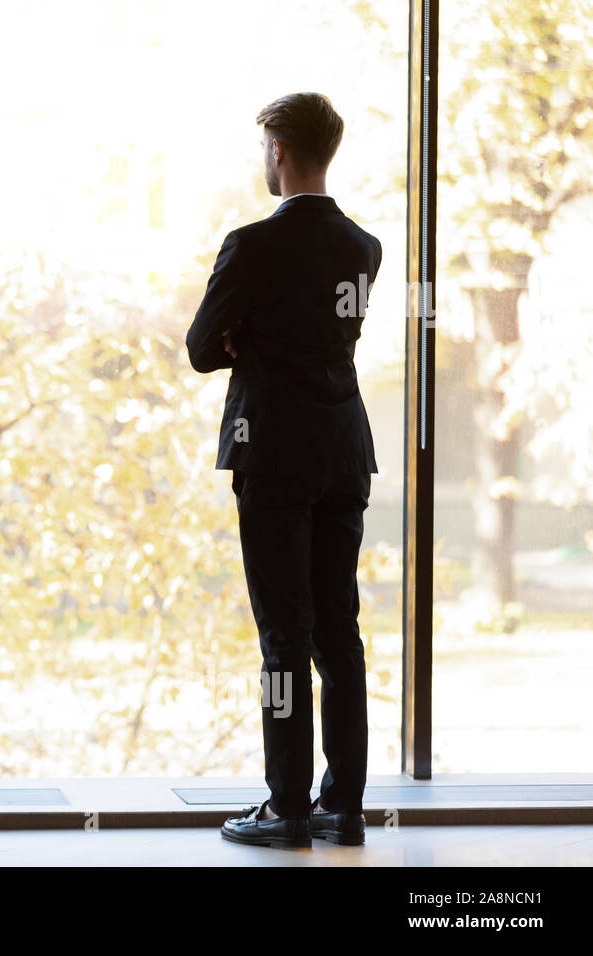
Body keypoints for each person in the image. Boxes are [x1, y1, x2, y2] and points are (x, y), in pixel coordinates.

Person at [184, 92, 381, 850]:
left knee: (283, 639)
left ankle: (285, 804)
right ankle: (345, 805)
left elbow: (203, 347)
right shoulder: (364, 247)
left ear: (278, 149)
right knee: (340, 633)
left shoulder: (250, 245)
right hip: (344, 447)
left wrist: (250, 337)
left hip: (273, 453)